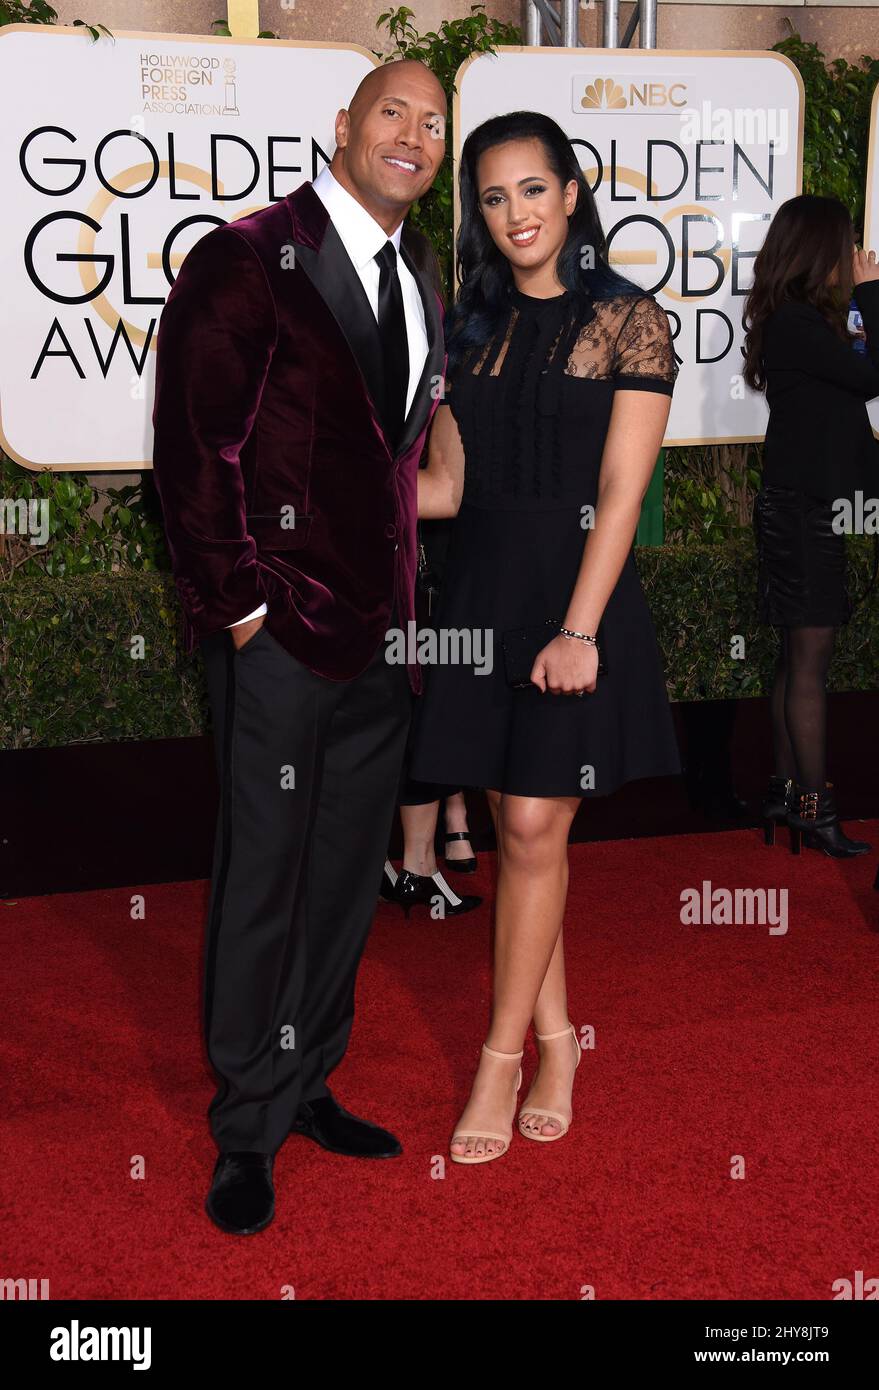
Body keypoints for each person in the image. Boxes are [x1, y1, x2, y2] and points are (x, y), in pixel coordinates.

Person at [151, 58, 447, 1232]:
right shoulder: (247, 256)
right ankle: (246, 1125)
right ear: (342, 127)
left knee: (341, 880)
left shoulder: (420, 270)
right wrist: (241, 611)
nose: (415, 135)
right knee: (264, 879)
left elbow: (395, 455)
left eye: (434, 122)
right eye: (394, 112)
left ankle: (310, 1073)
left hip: (384, 643)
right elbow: (193, 450)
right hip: (280, 640)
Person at [411, 111, 680, 1164]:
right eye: (492, 196)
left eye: (533, 188)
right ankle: (562, 1042)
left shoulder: (630, 320)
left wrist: (580, 628)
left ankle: (499, 1060)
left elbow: (622, 490)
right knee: (529, 840)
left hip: (578, 596)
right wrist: (330, 496)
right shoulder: (465, 330)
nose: (515, 212)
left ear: (572, 194)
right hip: (480, 597)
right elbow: (447, 485)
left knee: (528, 825)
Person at [742, 195, 879, 857]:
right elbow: (871, 378)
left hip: (803, 509)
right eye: (843, 244)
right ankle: (813, 808)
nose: (849, 256)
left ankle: (787, 793)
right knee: (807, 666)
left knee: (797, 659)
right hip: (801, 514)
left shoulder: (800, 320)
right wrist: (873, 295)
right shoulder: (797, 323)